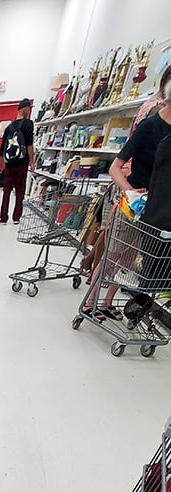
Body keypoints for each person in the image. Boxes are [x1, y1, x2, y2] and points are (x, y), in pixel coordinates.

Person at [81, 69, 171, 317]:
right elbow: (115, 168)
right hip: (133, 204)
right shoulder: (150, 127)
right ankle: (90, 302)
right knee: (112, 254)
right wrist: (130, 192)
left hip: (159, 210)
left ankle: (107, 302)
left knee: (130, 258)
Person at [0, 98, 35, 224]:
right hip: (21, 164)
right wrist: (32, 161)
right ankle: (16, 218)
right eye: (29, 109)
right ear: (25, 110)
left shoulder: (9, 127)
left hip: (9, 164)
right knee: (20, 191)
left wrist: (0, 165)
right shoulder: (28, 124)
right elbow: (29, 145)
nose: (29, 111)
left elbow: (2, 147)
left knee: (6, 191)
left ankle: (3, 218)